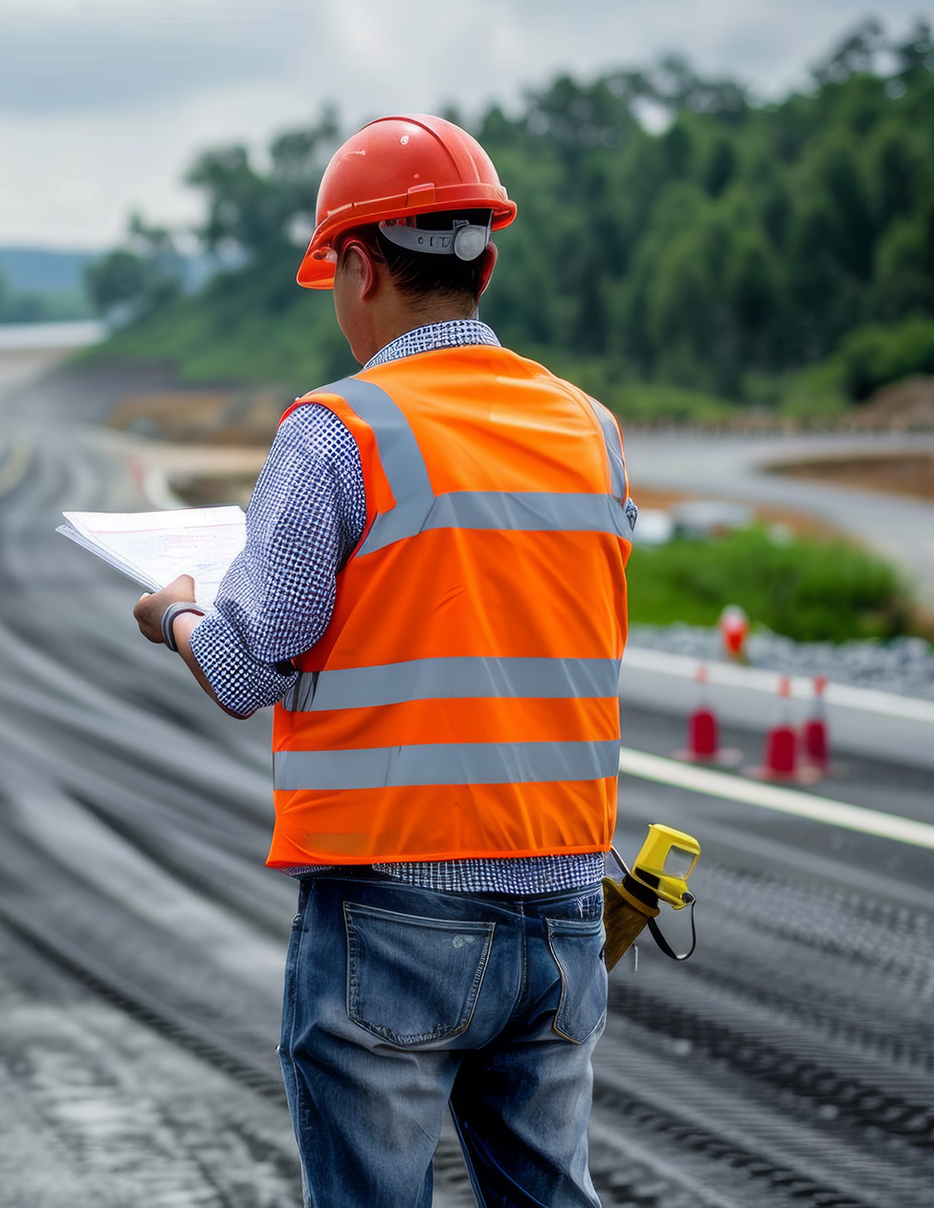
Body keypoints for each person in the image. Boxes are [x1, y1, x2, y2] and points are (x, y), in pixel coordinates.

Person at [133, 114, 634, 1207]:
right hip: (565, 897)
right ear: (484, 263)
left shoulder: (338, 431)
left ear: (357, 265)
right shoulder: (588, 429)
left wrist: (176, 614)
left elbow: (245, 665)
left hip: (394, 905)